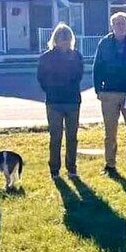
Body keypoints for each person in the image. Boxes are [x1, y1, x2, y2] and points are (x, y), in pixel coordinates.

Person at [93, 12, 126, 176]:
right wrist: (98, 89)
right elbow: (97, 67)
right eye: (117, 23)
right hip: (109, 94)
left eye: (123, 23)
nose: (120, 26)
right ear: (112, 26)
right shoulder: (104, 43)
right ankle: (110, 164)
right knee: (110, 132)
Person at [38, 23, 84, 179]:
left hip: (72, 101)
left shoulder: (76, 56)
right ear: (55, 40)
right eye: (61, 39)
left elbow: (79, 75)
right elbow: (41, 78)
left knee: (72, 137)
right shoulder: (46, 57)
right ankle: (54, 169)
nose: (64, 42)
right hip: (54, 102)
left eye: (67, 39)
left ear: (71, 40)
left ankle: (71, 168)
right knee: (55, 137)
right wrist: (51, 89)